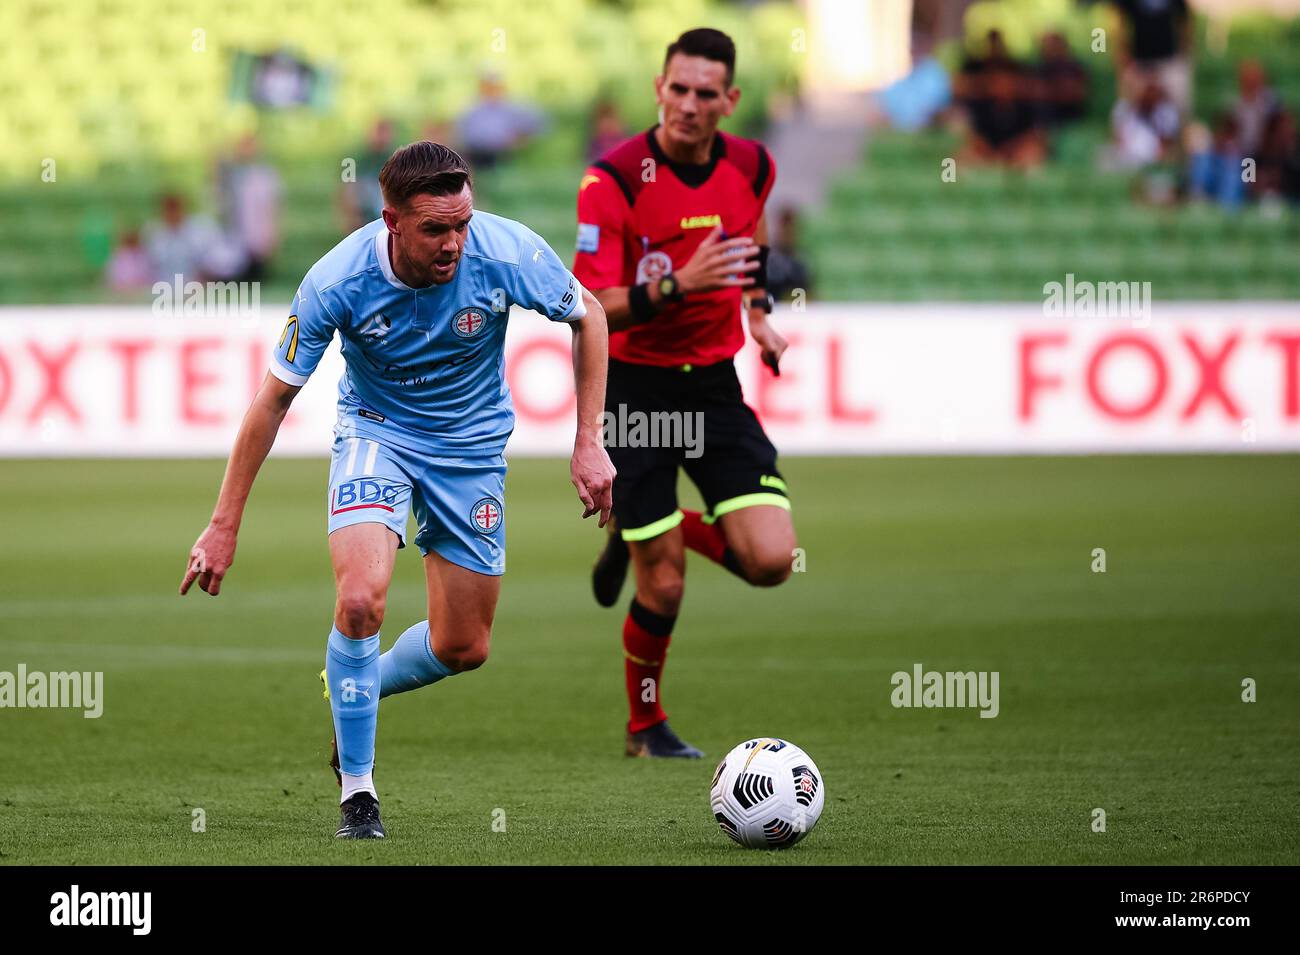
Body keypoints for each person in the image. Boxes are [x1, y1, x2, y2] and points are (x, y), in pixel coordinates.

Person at [179, 142, 615, 839]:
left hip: (470, 450)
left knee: (464, 645)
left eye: (462, 223)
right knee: (359, 601)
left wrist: (588, 438)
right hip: (375, 435)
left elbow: (588, 315)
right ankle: (359, 792)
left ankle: (357, 686)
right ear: (391, 220)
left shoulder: (505, 251)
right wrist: (223, 523)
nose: (454, 243)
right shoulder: (337, 281)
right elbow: (270, 403)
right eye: (435, 229)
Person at [573, 28, 796, 759]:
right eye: (678, 89)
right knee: (663, 584)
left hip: (714, 388)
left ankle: (636, 531)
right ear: (658, 90)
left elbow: (750, 244)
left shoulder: (753, 164)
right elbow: (590, 306)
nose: (690, 105)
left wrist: (758, 317)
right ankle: (646, 727)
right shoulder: (611, 180)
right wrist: (677, 285)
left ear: (730, 101)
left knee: (769, 560)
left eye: (707, 93)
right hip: (634, 390)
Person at [955, 30, 1045, 167]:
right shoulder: (983, 107)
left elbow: (1033, 135)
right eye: (997, 82)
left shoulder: (1025, 107)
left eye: (1005, 82)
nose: (1001, 87)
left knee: (1031, 154)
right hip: (989, 153)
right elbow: (976, 137)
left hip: (1016, 151)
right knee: (960, 158)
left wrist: (1010, 151)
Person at [216, 133, 282, 282]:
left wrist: (271, 235)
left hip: (257, 235)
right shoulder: (232, 175)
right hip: (235, 235)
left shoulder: (266, 175)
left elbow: (271, 208)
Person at [1112, 0, 1193, 116]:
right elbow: (1119, 21)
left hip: (1169, 62)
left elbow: (1185, 20)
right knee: (1129, 111)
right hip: (1138, 63)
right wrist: (1123, 56)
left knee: (1179, 109)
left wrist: (1185, 53)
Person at [455, 70, 545, 171]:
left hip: (506, 155)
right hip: (478, 155)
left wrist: (520, 139)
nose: (492, 90)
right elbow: (464, 137)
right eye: (488, 87)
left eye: (495, 87)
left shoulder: (514, 108)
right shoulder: (472, 109)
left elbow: (538, 125)